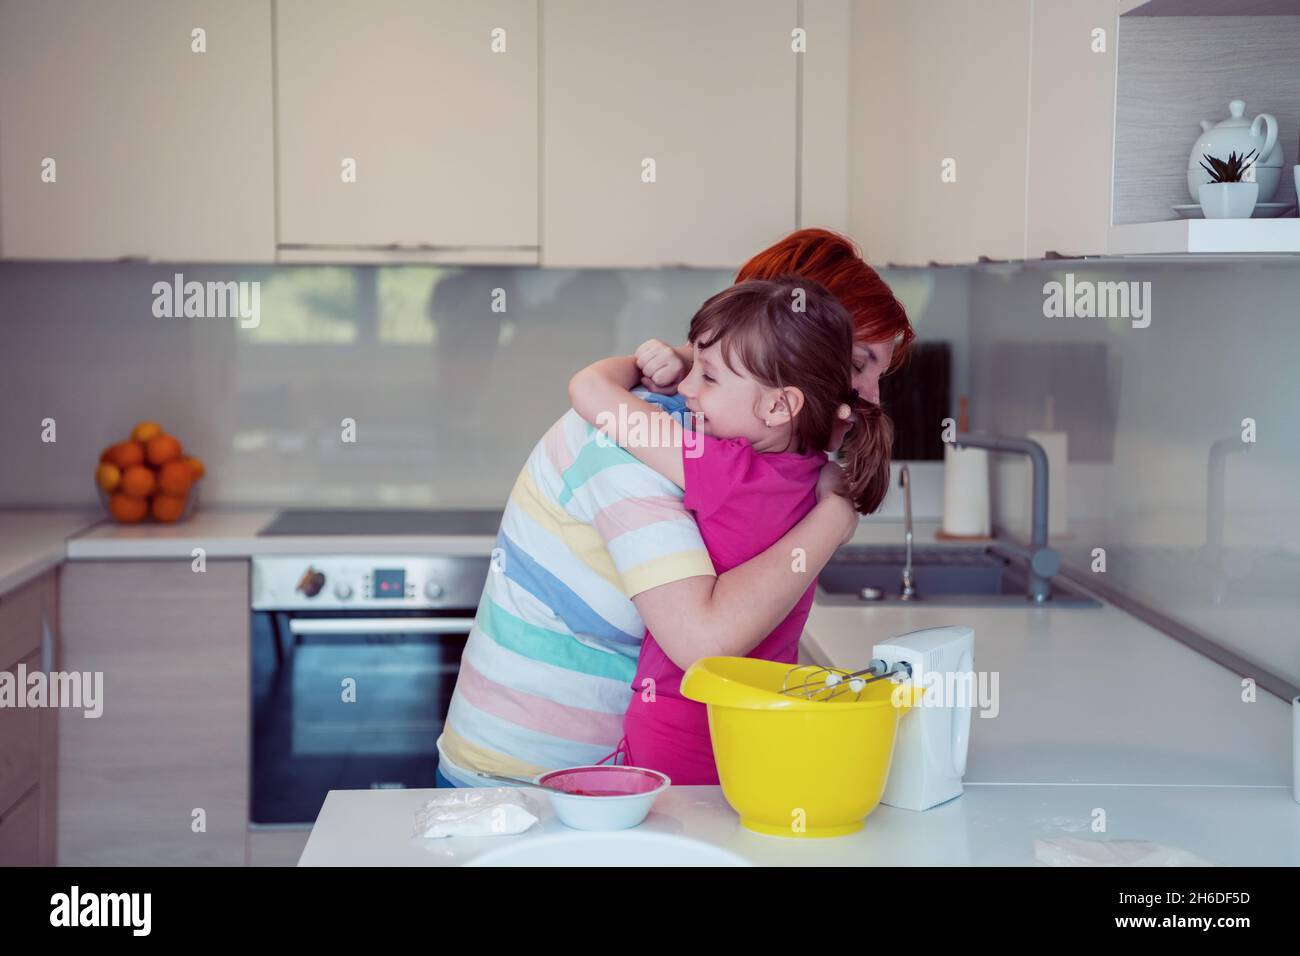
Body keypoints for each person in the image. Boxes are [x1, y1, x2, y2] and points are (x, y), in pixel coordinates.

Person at [434, 228, 913, 787]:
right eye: (859, 365)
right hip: (523, 784)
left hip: (615, 780)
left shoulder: (747, 446)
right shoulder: (637, 441)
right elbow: (702, 642)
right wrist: (835, 516)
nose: (872, 398)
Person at [568, 277, 893, 783]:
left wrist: (639, 365)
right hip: (757, 725)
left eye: (710, 377)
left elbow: (588, 389)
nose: (685, 387)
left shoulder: (725, 470)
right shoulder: (814, 476)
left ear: (780, 406)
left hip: (678, 726)